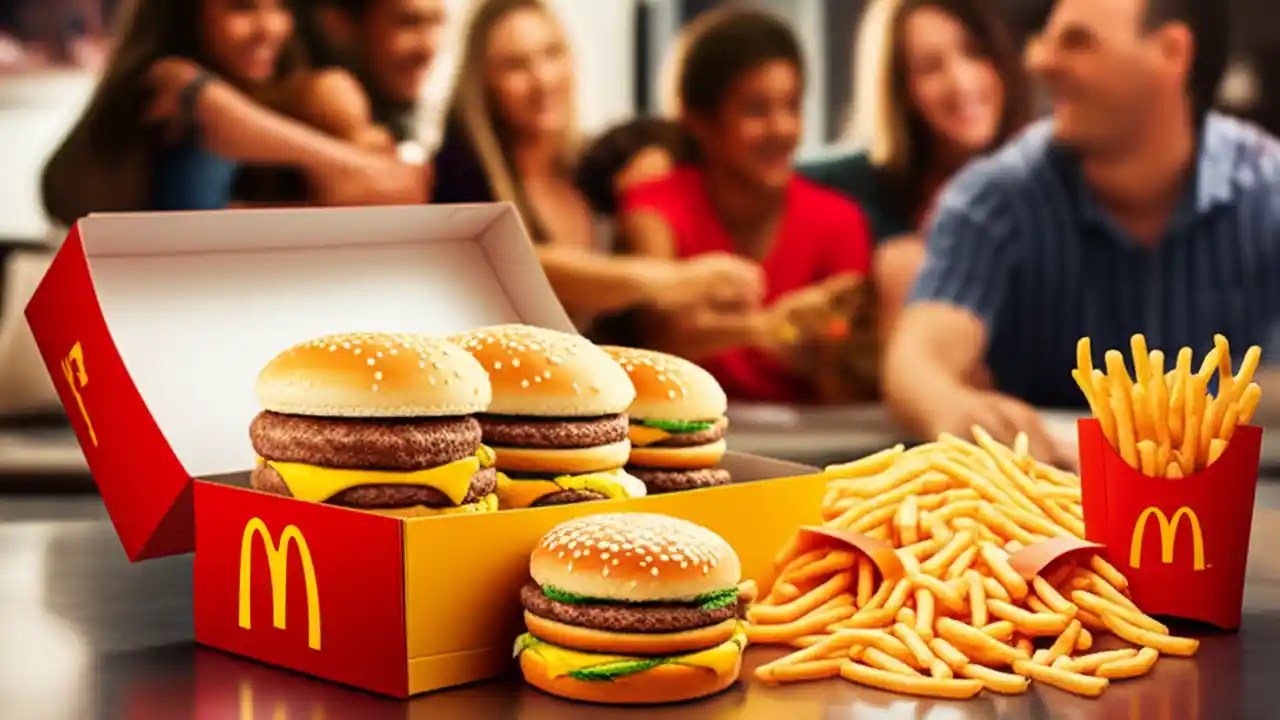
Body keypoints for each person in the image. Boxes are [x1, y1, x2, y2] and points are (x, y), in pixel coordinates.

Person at [883, 0, 1279, 463]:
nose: (1039, 61)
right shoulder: (994, 197)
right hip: (1057, 512)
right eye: (1048, 40)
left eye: (1078, 42)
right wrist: (951, 407)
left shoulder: (1266, 190)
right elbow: (918, 356)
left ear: (1171, 53)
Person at [432, 0, 764, 329]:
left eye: (553, 53)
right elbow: (514, 262)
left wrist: (657, 159)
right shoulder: (459, 177)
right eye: (515, 66)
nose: (543, 80)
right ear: (483, 83)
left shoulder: (594, 169)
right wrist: (670, 280)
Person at [620, 9, 876, 404]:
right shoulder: (656, 206)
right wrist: (768, 327)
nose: (782, 128)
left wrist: (828, 343)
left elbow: (842, 383)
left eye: (792, 106)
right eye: (756, 110)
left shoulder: (838, 220)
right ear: (701, 122)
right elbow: (661, 343)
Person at [42, 0, 423, 224]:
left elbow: (397, 190)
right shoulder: (169, 84)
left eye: (281, 5)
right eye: (241, 5)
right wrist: (351, 168)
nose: (271, 27)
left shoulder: (273, 100)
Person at [800, 0, 1030, 339]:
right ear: (899, 90)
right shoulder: (855, 183)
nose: (961, 83)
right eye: (930, 68)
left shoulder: (1044, 178)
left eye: (975, 53)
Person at [299, 0, 446, 146]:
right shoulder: (328, 95)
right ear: (338, 24)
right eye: (408, 22)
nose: (428, 48)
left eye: (436, 23)